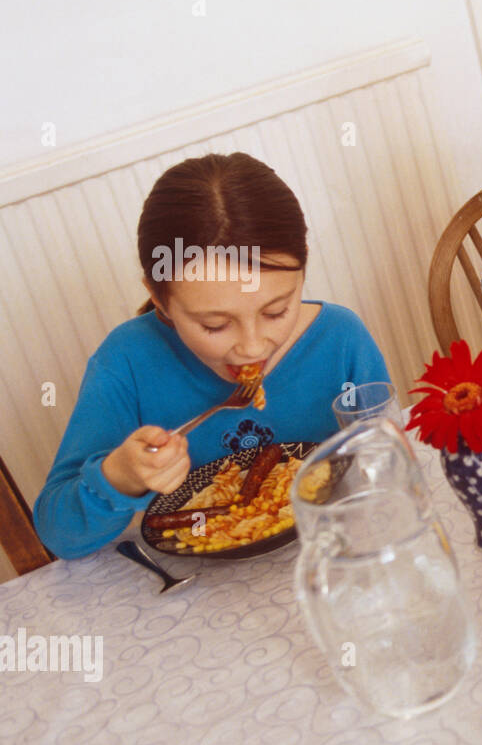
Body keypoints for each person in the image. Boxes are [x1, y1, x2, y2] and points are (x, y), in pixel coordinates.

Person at [33, 152, 390, 559]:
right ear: (161, 300)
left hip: (342, 564)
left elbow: (388, 463)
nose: (253, 346)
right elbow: (58, 535)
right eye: (215, 326)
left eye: (276, 311)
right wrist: (120, 477)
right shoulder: (126, 363)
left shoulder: (341, 339)